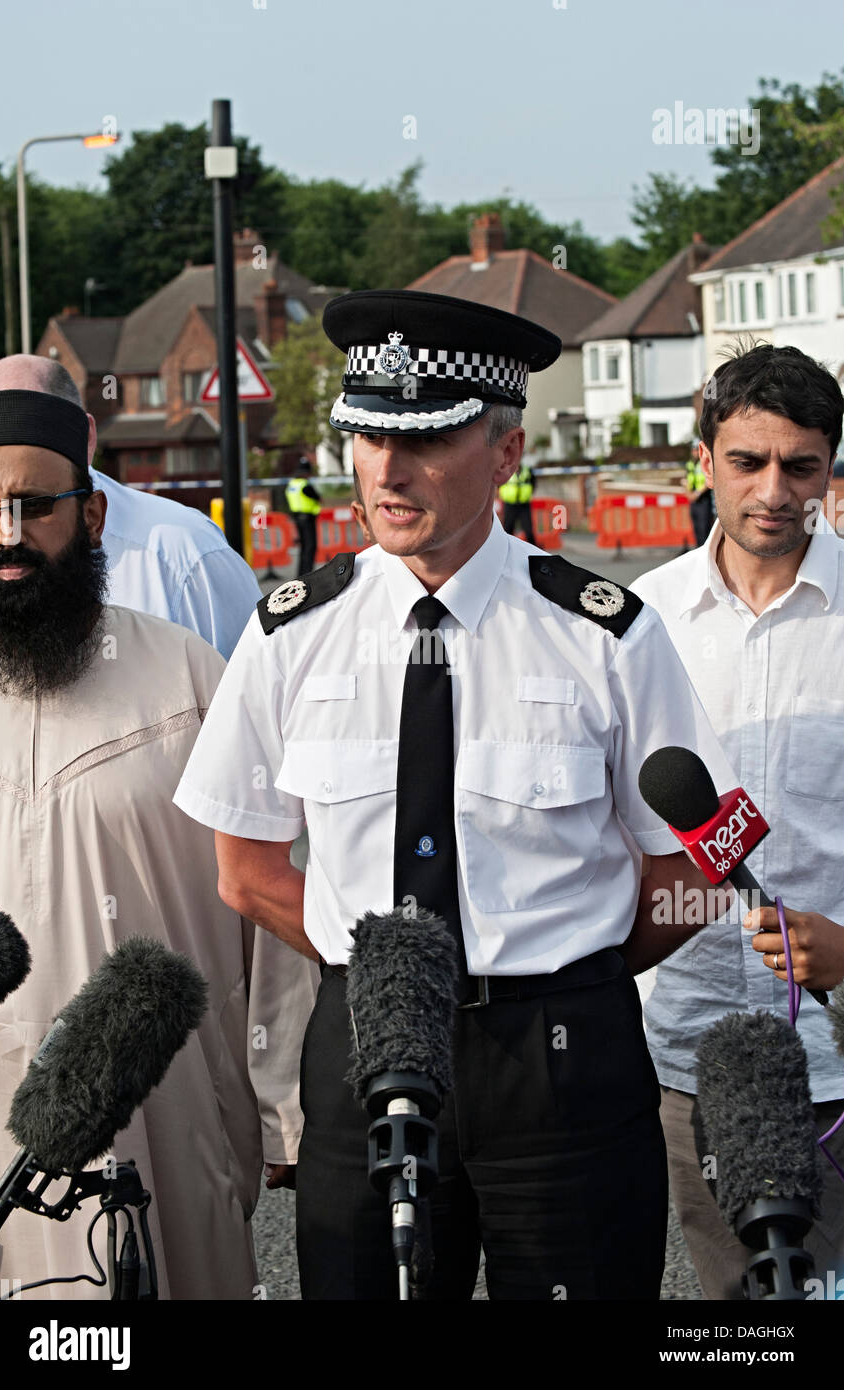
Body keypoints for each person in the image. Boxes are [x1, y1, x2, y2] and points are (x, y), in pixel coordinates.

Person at [173, 289, 734, 1301]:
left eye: (425, 439)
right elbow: (246, 869)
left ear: (506, 453)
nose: (386, 469)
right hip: (364, 1046)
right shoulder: (291, 632)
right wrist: (391, 974)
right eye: (367, 435)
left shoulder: (605, 632)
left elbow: (700, 859)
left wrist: (580, 966)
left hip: (560, 1057)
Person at [0, 386, 317, 1299]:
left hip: (164, 1107)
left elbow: (273, 891)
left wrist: (285, 1109)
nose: (7, 533)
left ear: (89, 512)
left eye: (34, 505)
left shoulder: (186, 676)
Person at [631, 343, 844, 1300]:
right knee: (739, 1326)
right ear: (704, 459)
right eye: (745, 461)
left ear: (829, 469)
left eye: (799, 465)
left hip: (837, 1060)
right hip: (689, 1055)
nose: (773, 490)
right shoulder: (637, 621)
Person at [0, 356, 262, 660]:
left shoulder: (185, 556)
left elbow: (254, 692)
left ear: (86, 438)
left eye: (32, 504)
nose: (8, 532)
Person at [285, 457, 321, 576]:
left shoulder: (291, 484)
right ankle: (308, 574)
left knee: (304, 547)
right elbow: (317, 497)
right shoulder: (305, 485)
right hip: (307, 518)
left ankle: (301, 573)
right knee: (310, 547)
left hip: (297, 518)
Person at [685, 438, 714, 547]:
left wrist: (696, 494)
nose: (695, 452)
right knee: (697, 530)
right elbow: (688, 480)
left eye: (696, 450)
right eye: (693, 450)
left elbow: (708, 481)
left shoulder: (705, 463)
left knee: (704, 530)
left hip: (703, 500)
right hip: (694, 501)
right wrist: (688, 493)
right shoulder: (690, 464)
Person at [498, 459, 535, 542]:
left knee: (529, 531)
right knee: (508, 530)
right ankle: (506, 551)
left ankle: (534, 552)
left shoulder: (527, 470)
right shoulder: (505, 471)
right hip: (509, 504)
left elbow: (533, 483)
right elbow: (499, 484)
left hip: (524, 505)